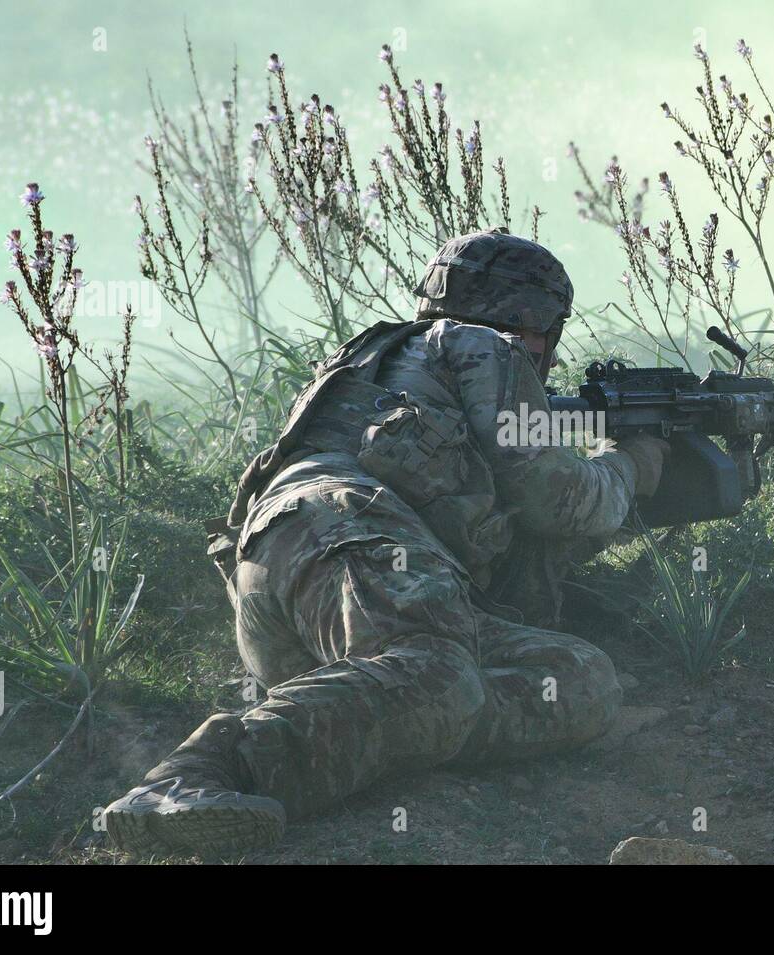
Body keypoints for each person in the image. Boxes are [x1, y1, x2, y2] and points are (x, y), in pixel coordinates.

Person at [103, 227, 669, 855]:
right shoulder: (486, 347)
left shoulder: (387, 356)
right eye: (548, 332)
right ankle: (195, 776)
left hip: (293, 576)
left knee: (577, 677)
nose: (549, 357)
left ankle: (378, 726)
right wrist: (629, 467)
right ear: (528, 319)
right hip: (345, 531)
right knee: (439, 678)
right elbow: (552, 494)